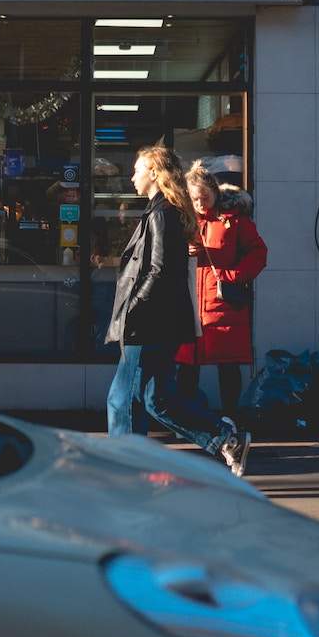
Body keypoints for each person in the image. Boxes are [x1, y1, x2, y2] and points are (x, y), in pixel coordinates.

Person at [105, 145, 251, 477]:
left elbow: (158, 270)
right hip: (160, 323)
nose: (133, 176)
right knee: (157, 399)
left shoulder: (162, 213)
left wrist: (134, 309)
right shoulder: (165, 211)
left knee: (122, 397)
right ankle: (226, 437)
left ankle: (124, 469)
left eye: (138, 169)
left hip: (148, 324)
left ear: (154, 173)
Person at [175, 167, 268, 417]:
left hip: (223, 303)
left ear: (215, 193)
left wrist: (232, 277)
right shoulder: (183, 220)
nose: (199, 203)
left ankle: (230, 419)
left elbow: (258, 253)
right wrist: (183, 251)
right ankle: (189, 420)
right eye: (194, 198)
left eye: (204, 197)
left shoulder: (234, 220)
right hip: (190, 301)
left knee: (228, 366)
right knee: (186, 366)